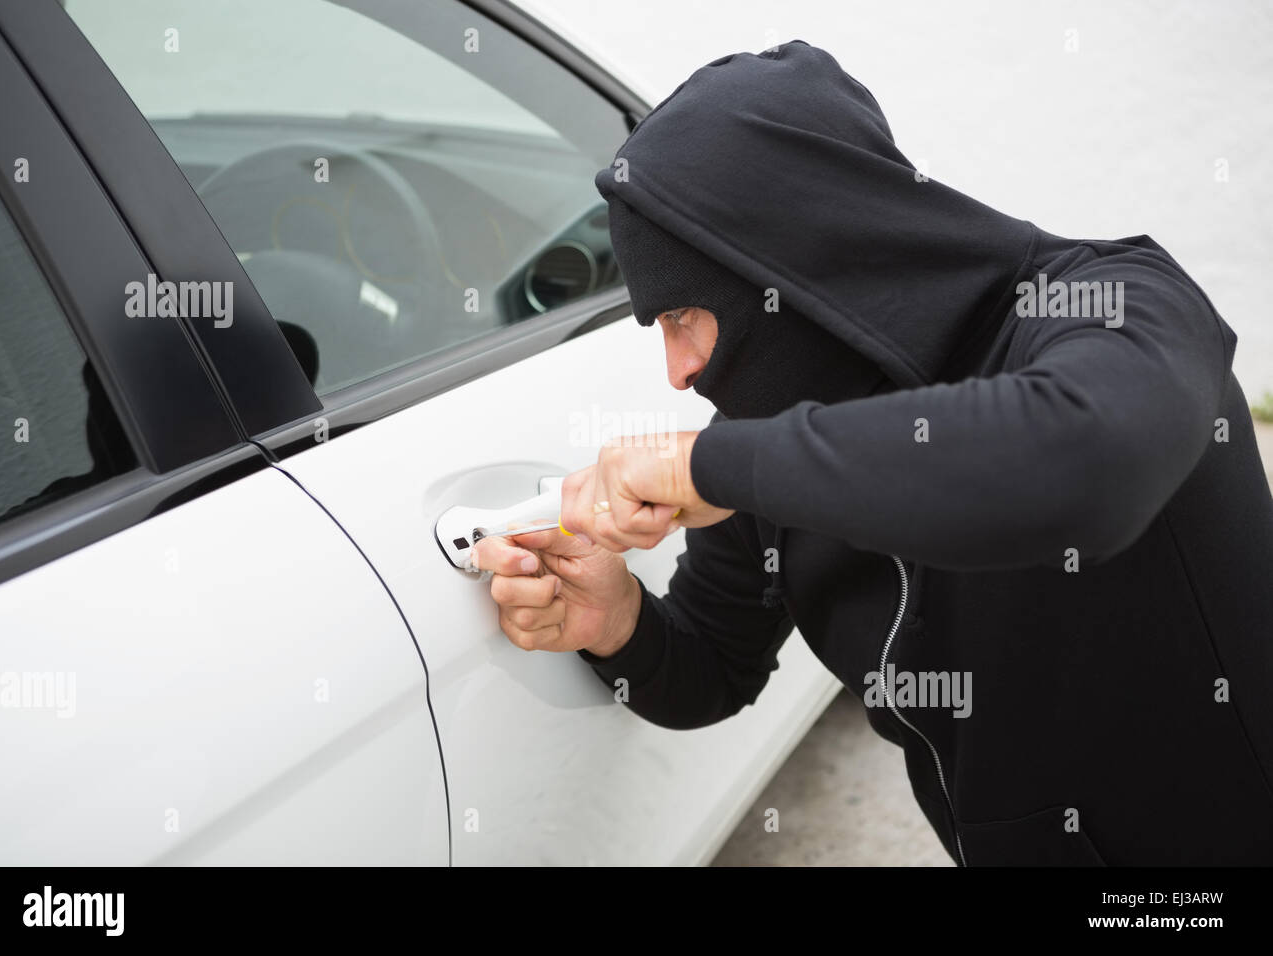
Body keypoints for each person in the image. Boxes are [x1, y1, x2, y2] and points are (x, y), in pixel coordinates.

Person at [471, 40, 1273, 865]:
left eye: (682, 316)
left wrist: (702, 468)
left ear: (787, 260)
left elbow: (1088, 465)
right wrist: (620, 623)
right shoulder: (768, 436)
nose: (677, 374)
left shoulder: (1119, 304)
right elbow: (714, 663)